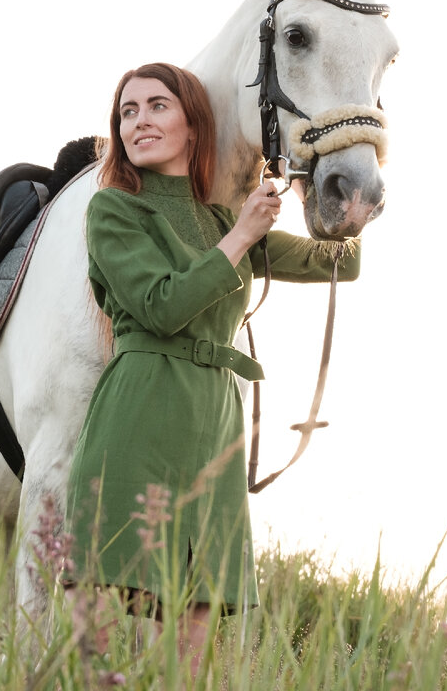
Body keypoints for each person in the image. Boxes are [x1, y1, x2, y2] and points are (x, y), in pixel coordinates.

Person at [63, 62, 359, 672]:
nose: (140, 121)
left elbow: (340, 262)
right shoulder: (114, 212)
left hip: (214, 428)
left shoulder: (224, 218)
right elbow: (161, 305)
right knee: (91, 643)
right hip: (138, 417)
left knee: (193, 644)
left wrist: (315, 189)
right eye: (128, 112)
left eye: (157, 106)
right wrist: (242, 237)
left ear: (193, 125)